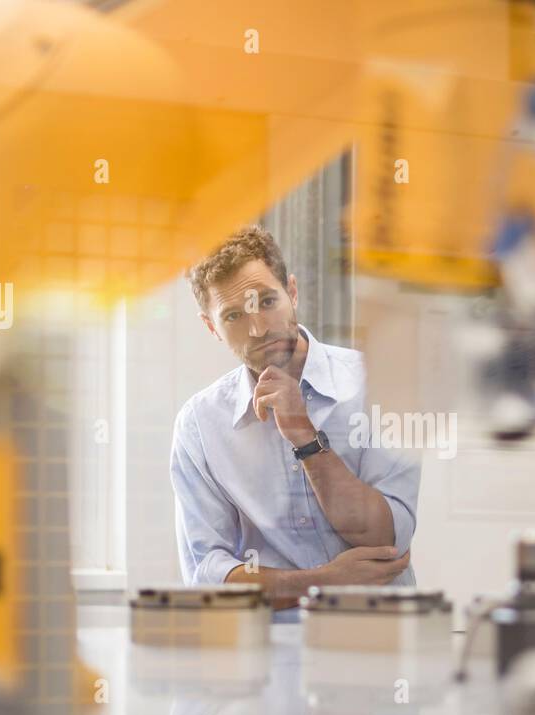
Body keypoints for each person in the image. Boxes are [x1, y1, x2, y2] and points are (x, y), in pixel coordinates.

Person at [171, 225, 418, 608]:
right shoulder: (200, 425)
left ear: (293, 292)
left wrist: (305, 435)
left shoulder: (378, 382)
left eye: (267, 302)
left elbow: (384, 539)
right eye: (234, 315)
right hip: (265, 652)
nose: (258, 329)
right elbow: (208, 573)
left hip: (378, 639)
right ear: (211, 327)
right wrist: (322, 582)